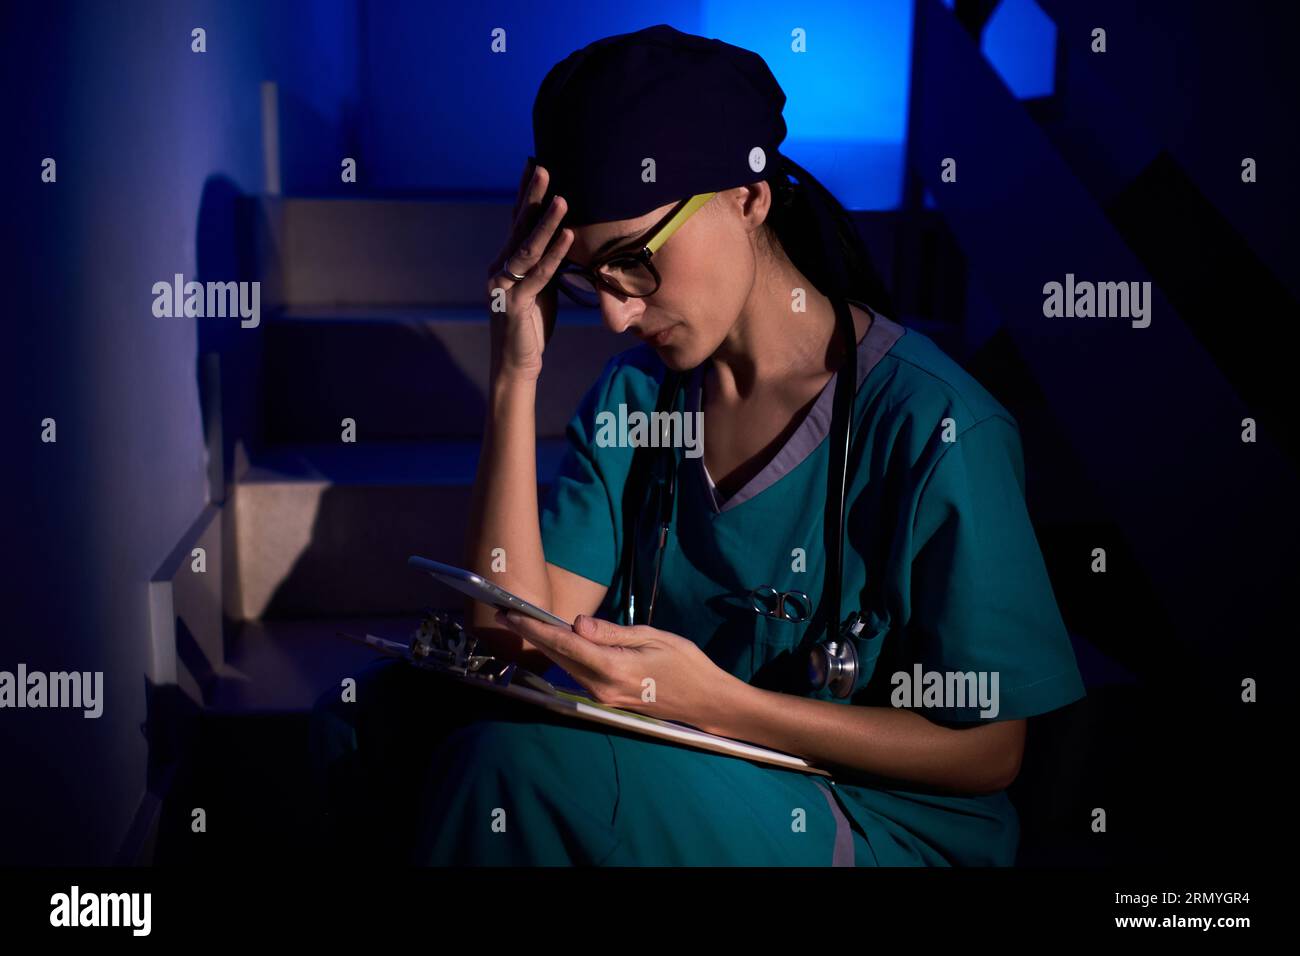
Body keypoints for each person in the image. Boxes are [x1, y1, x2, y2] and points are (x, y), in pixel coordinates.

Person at [337, 24, 1086, 867]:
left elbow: (991, 752)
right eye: (588, 278)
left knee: (511, 771)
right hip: (686, 777)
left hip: (878, 823)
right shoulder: (638, 402)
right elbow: (509, 640)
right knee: (373, 721)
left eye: (634, 261)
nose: (616, 314)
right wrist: (516, 374)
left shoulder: (935, 424)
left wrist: (711, 701)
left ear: (749, 196)